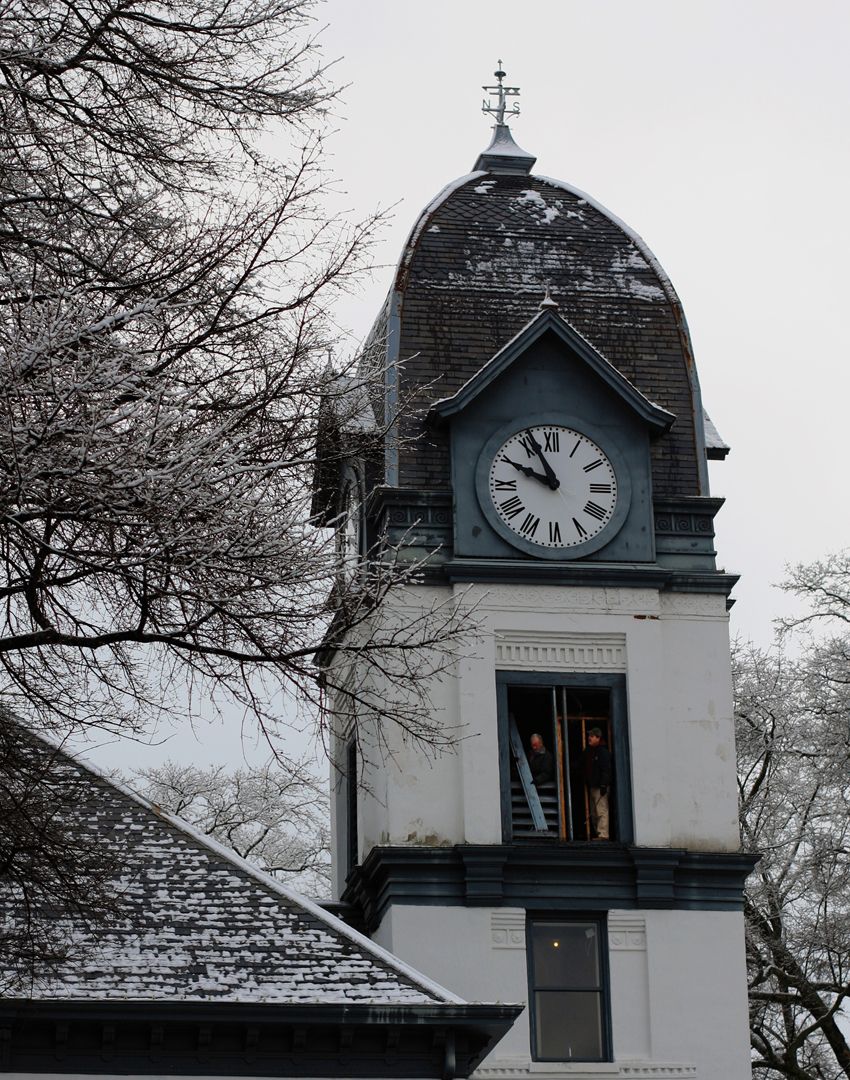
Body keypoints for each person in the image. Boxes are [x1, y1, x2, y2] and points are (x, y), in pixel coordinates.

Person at [583, 726, 612, 840]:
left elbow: (606, 770)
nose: (589, 738)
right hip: (593, 786)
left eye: (591, 736)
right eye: (589, 736)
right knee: (594, 812)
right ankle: (599, 834)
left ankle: (603, 835)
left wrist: (604, 785)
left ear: (598, 738)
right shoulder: (590, 751)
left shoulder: (602, 752)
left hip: (600, 787)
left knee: (601, 810)